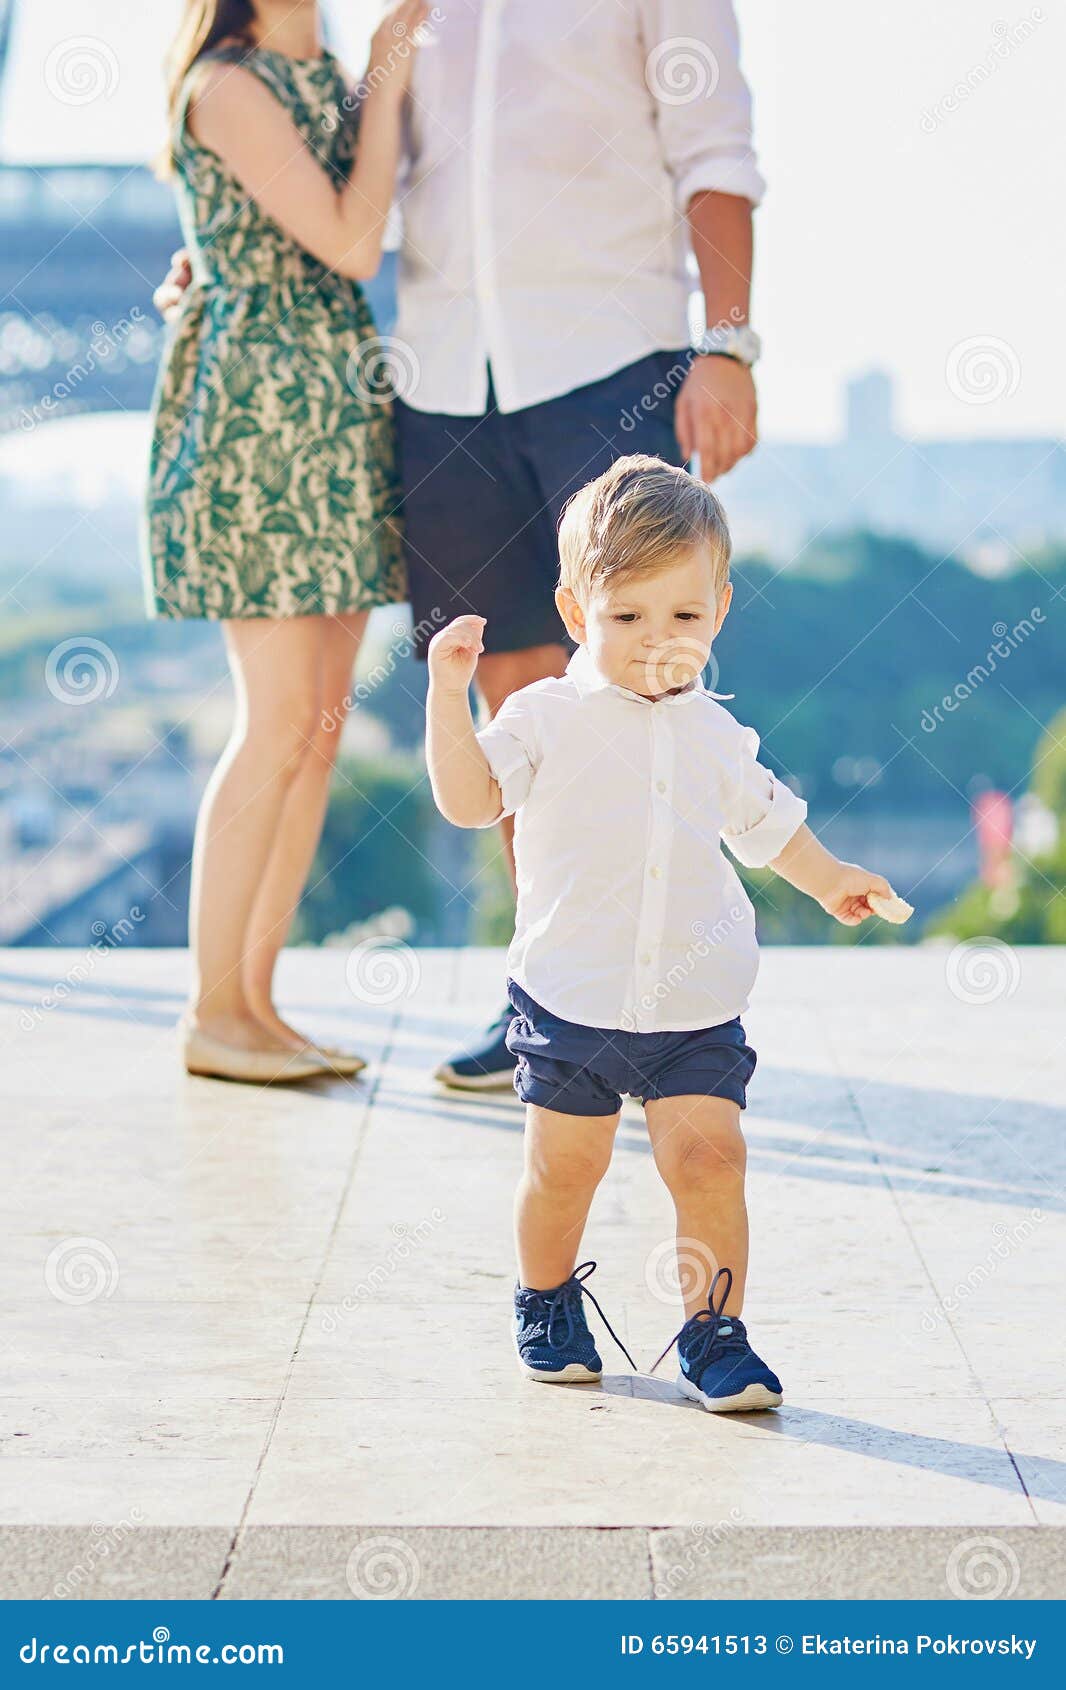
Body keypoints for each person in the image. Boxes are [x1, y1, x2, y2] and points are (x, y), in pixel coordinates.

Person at [159, 0, 768, 1091]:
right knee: (520, 699)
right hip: (438, 379)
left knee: (645, 685)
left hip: (609, 356)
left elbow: (714, 145)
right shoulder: (392, 12)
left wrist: (727, 342)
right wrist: (212, 242)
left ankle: (666, 1005)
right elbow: (307, 156)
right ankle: (551, 997)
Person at [424, 455, 896, 1410]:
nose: (656, 643)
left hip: (694, 1000)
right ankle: (545, 1300)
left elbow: (772, 830)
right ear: (573, 616)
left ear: (718, 611)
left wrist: (833, 879)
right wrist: (447, 696)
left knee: (710, 1159)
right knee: (566, 1167)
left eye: (682, 617)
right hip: (573, 995)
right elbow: (471, 801)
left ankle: (712, 1333)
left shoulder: (715, 734)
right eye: (626, 618)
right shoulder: (543, 717)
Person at [144, 0, 425, 1084]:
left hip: (337, 418)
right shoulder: (229, 83)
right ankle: (213, 1012)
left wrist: (378, 74)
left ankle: (255, 1005)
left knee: (314, 732)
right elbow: (355, 242)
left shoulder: (319, 73)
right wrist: (394, 73)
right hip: (258, 424)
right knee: (272, 727)